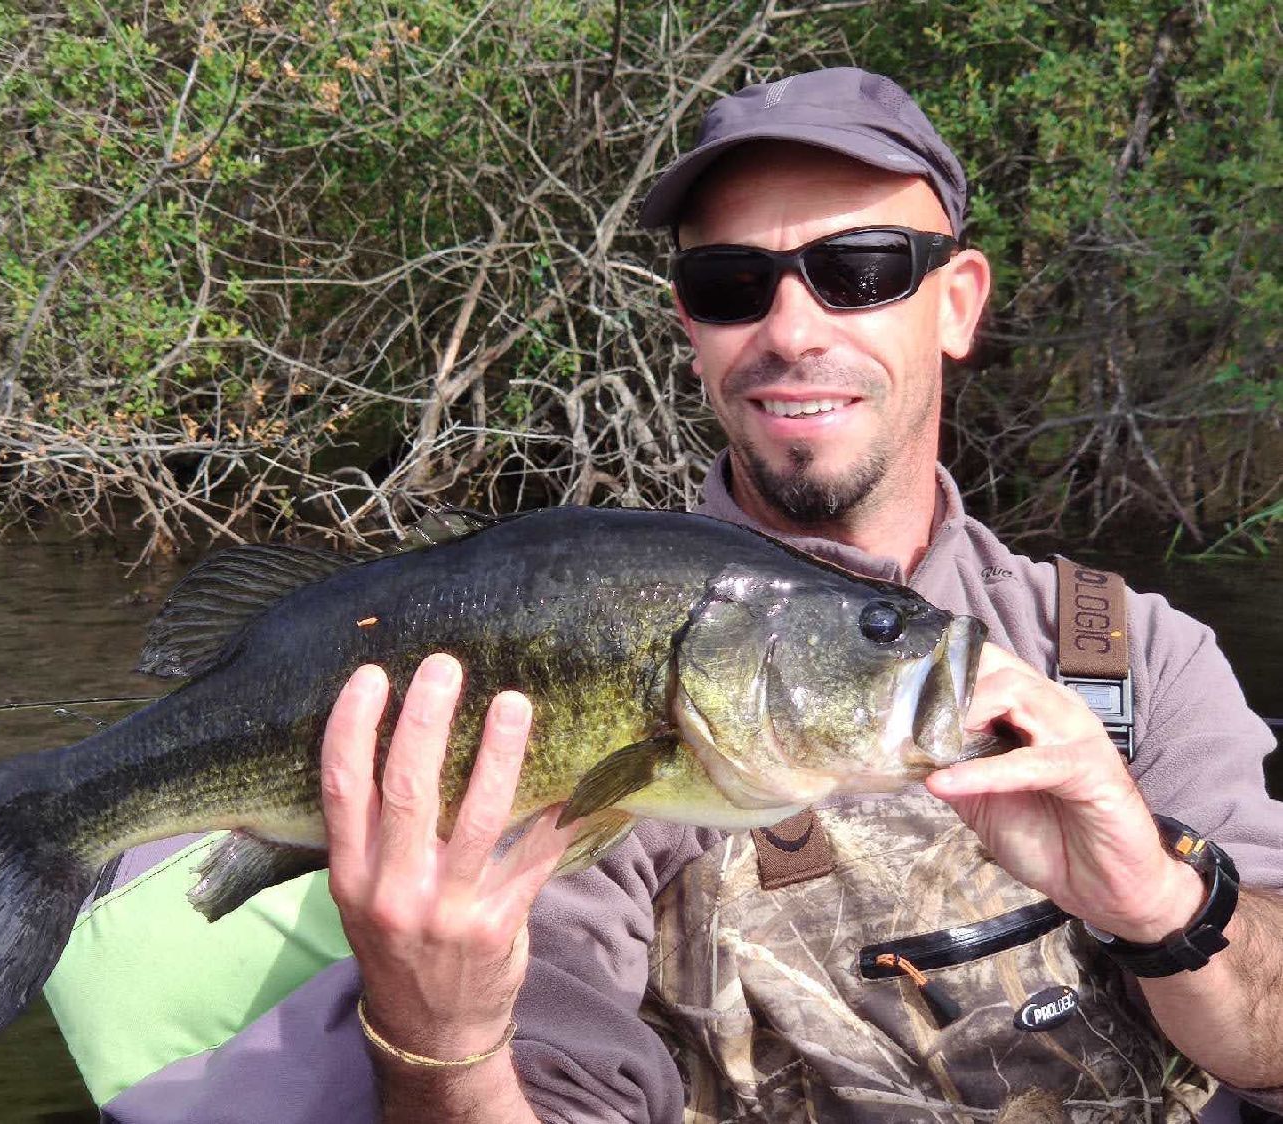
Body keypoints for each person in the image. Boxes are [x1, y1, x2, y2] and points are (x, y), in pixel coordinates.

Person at [67, 68, 1283, 1123]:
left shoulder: (1130, 652)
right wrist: (438, 1031)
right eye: (730, 281)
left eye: (860, 269)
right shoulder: (575, 668)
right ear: (691, 328)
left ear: (957, 302)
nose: (792, 327)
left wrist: (1164, 902)